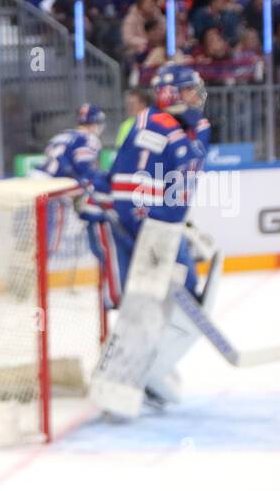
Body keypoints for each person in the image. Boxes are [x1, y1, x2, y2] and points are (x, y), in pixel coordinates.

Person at [86, 63, 213, 405]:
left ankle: (151, 367)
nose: (197, 95)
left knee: (185, 298)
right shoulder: (152, 126)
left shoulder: (198, 126)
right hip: (133, 227)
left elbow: (177, 183)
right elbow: (130, 193)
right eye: (189, 89)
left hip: (164, 228)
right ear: (170, 94)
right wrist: (152, 235)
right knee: (140, 301)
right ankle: (125, 377)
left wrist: (178, 224)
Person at [35, 103, 104, 190]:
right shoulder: (90, 139)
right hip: (53, 188)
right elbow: (84, 169)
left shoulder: (61, 135)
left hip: (36, 179)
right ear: (95, 124)